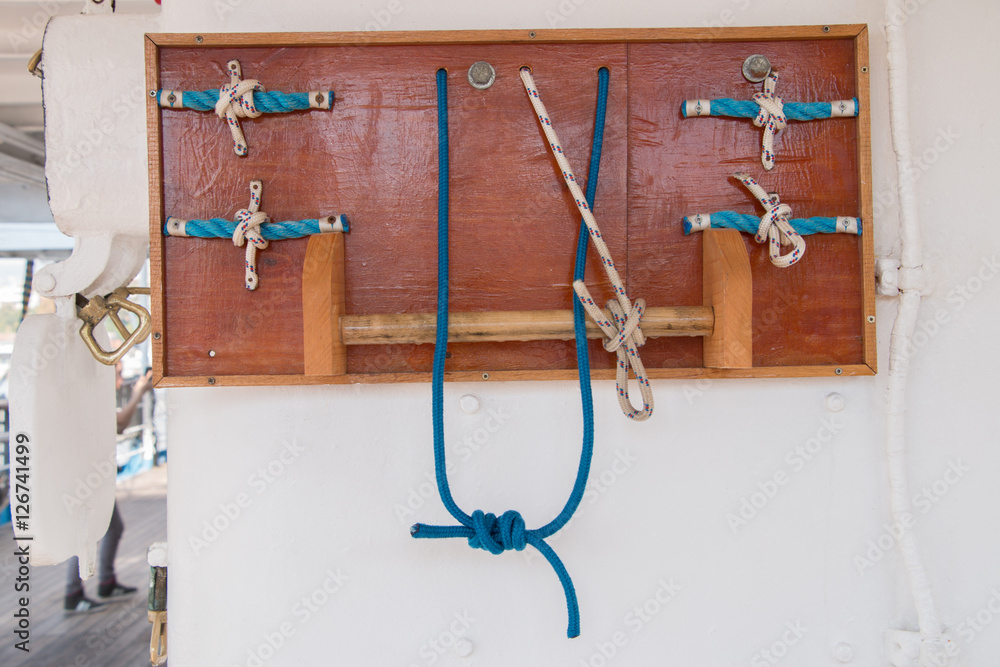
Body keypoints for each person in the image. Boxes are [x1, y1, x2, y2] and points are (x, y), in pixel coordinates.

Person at [63, 364, 153, 614]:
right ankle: (73, 592)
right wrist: (139, 393)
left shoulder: (90, 396)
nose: (120, 377)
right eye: (117, 372)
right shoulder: (92, 397)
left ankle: (106, 582)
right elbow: (121, 424)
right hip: (86, 478)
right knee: (85, 533)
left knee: (112, 528)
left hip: (92, 476)